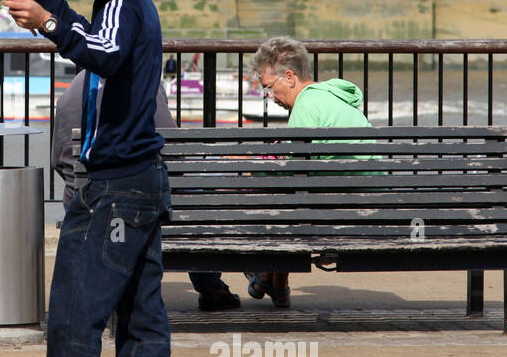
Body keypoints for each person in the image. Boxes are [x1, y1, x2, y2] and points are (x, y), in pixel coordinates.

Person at [0, 0, 183, 357]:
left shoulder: (127, 3)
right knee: (139, 313)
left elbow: (101, 53)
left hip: (117, 189)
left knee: (75, 310)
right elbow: (101, 39)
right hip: (140, 184)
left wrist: (46, 22)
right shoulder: (126, 6)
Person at [51, 68, 240, 310]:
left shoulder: (67, 96)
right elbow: (175, 152)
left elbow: (58, 162)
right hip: (134, 203)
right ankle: (210, 285)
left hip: (83, 206)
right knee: (194, 195)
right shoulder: (141, 80)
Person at [246, 36, 372, 308]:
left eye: (269, 88)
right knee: (293, 197)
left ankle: (267, 276)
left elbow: (294, 174)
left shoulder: (305, 106)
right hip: (371, 201)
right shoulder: (334, 98)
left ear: (289, 77)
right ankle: (274, 283)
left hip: (344, 210)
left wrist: (255, 171)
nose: (270, 97)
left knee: (277, 195)